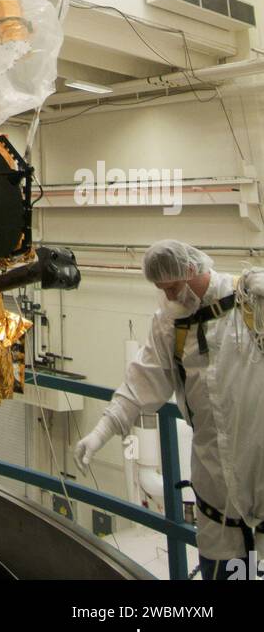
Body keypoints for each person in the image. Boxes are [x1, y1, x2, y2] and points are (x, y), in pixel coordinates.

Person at [74, 240, 264, 580]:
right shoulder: (170, 325)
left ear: (192, 270)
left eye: (173, 287)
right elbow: (140, 384)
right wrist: (100, 432)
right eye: (163, 290)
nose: (170, 297)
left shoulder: (249, 300)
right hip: (215, 492)